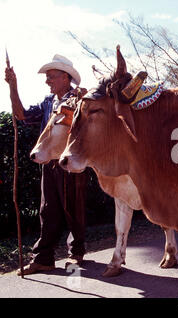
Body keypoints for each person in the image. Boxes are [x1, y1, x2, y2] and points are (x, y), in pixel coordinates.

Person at [5, 54, 87, 275]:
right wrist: (13, 86)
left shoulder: (80, 98)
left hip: (70, 161)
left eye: (51, 77)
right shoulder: (48, 102)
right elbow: (21, 115)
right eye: (47, 77)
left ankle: (76, 253)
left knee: (72, 208)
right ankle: (43, 258)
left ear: (65, 78)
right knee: (47, 210)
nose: (47, 81)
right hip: (49, 162)